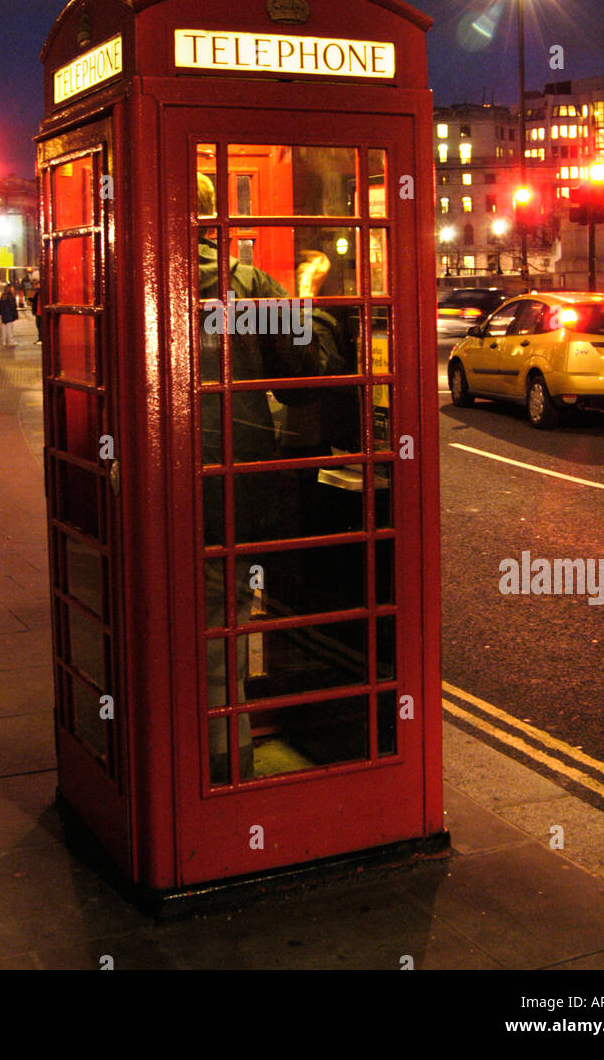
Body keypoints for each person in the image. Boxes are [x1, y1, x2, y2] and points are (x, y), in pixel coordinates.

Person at [197, 172, 348, 783]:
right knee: (223, 623)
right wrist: (309, 300)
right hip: (235, 475)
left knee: (179, 623)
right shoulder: (246, 282)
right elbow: (301, 376)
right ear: (215, 219)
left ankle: (178, 760)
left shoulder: (122, 273)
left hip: (150, 478)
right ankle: (225, 760)